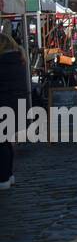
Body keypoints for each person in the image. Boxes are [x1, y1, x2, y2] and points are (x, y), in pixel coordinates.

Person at [0, 32, 29, 190]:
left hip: (4, 105)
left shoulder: (4, 62)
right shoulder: (17, 59)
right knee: (6, 143)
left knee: (2, 144)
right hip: (14, 107)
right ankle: (8, 175)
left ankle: (4, 178)